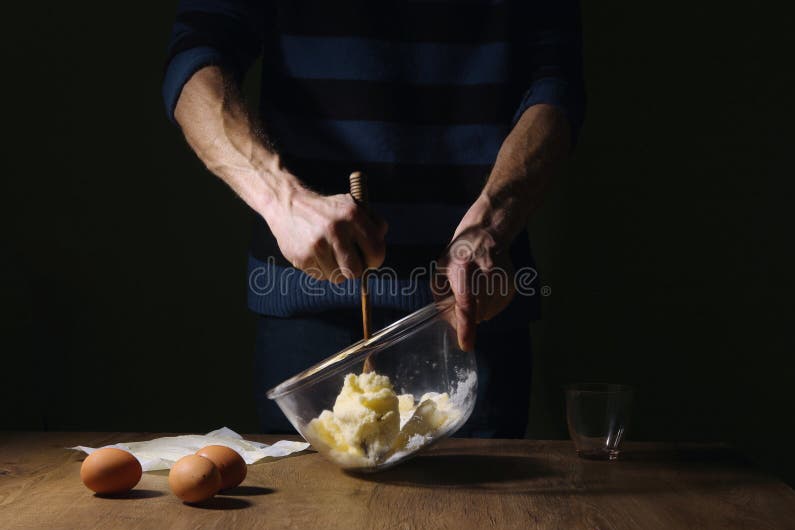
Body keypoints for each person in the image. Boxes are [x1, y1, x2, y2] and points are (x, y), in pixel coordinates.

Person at [163, 0, 584, 438]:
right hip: (309, 305)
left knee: (484, 505)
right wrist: (281, 198)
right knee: (309, 505)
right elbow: (194, 56)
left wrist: (493, 220)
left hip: (474, 302)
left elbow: (557, 83)